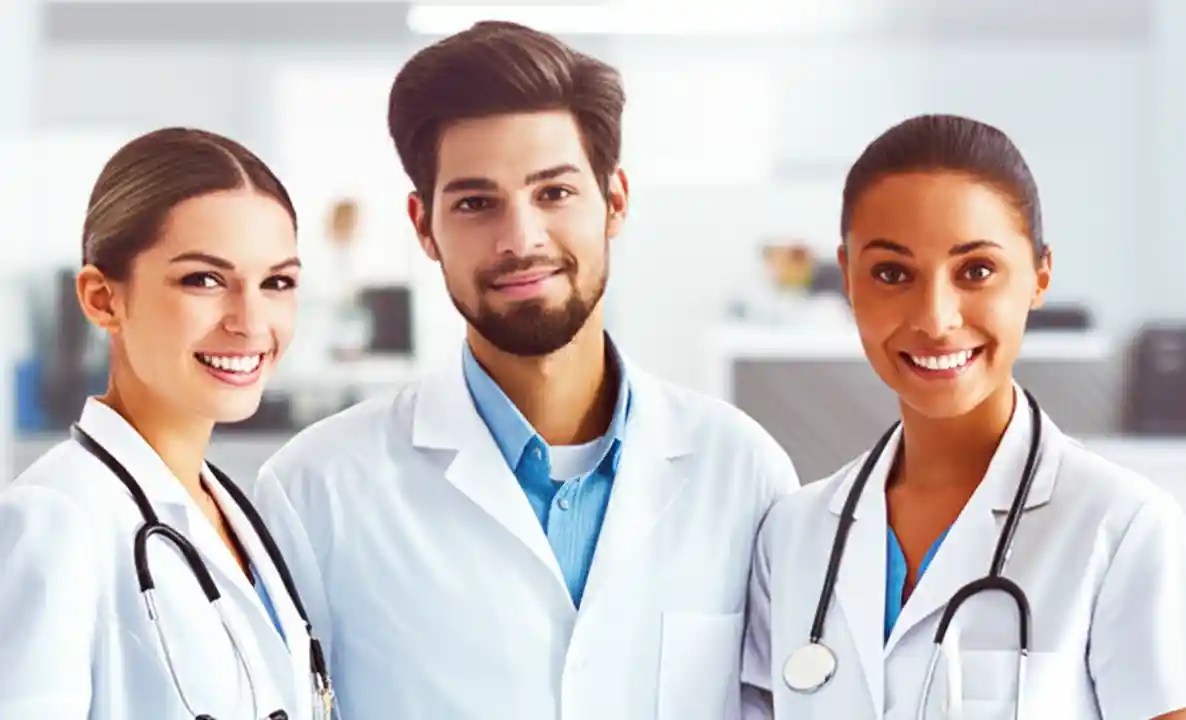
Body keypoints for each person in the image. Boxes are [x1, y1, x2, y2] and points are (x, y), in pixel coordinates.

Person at [251, 20, 799, 719]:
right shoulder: (316, 489)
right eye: (476, 203)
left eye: (555, 193)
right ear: (424, 227)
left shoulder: (743, 472)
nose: (521, 239)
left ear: (616, 201)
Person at [741, 114, 1186, 719]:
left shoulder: (1123, 528)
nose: (936, 317)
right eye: (891, 273)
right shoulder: (792, 537)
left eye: (976, 271)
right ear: (848, 279)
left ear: (1040, 275)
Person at [0, 127, 334, 719]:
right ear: (103, 299)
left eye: (276, 282)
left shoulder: (236, 515)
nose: (251, 322)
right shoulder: (54, 520)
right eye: (204, 280)